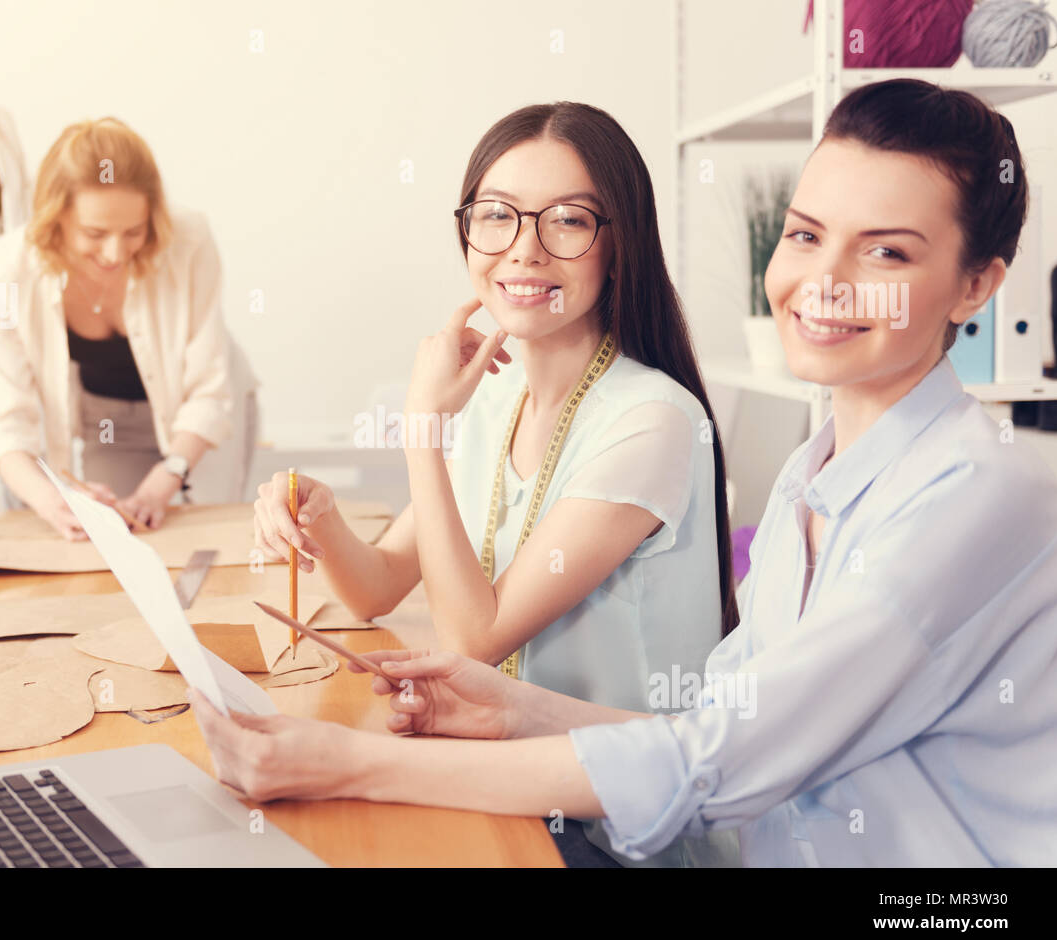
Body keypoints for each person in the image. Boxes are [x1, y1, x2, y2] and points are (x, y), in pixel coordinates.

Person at [195, 80, 1057, 866]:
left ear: (976, 285)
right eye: (803, 235)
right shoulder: (811, 472)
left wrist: (354, 764)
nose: (821, 282)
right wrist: (509, 710)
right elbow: (718, 725)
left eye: (887, 255)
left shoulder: (981, 495)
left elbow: (719, 759)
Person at [254, 102, 740, 866]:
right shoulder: (494, 398)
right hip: (519, 792)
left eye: (569, 222)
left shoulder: (653, 421)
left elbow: (472, 639)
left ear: (620, 244)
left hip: (620, 833)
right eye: (496, 217)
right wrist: (316, 517)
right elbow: (376, 585)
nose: (524, 250)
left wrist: (422, 425)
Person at [0, 117, 258, 539]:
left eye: (133, 232)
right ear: (56, 219)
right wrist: (55, 502)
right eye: (94, 232)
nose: (114, 252)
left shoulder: (190, 240)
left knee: (210, 541)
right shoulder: (5, 272)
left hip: (203, 416)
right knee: (117, 537)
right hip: (108, 419)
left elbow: (209, 392)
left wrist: (167, 478)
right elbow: (7, 422)